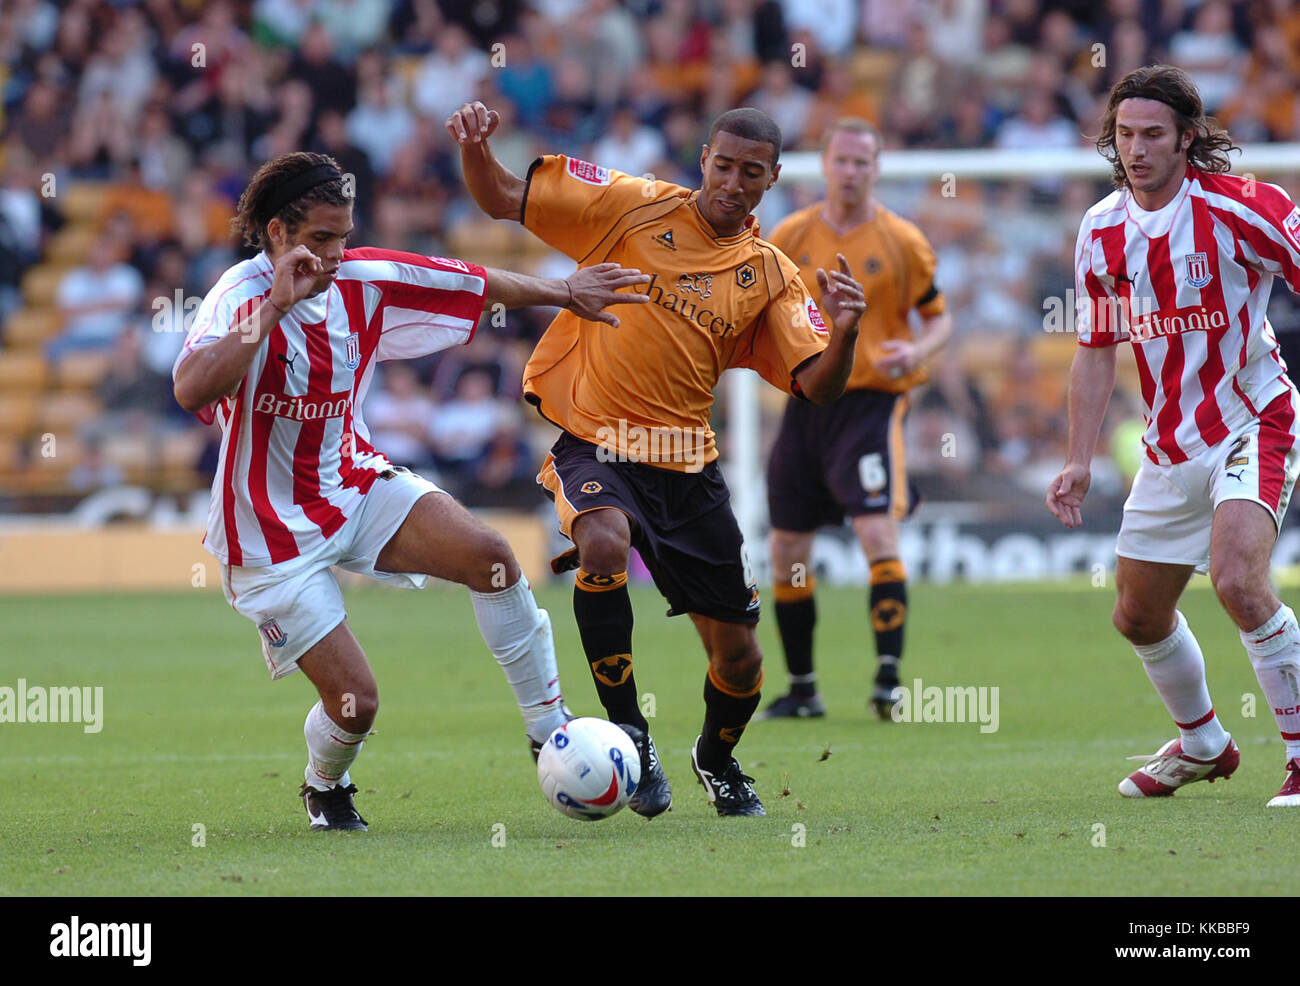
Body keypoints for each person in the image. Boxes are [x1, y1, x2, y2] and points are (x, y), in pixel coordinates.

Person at [172, 151, 649, 831]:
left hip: (355, 484)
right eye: (320, 240)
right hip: (268, 529)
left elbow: (479, 284)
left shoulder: (363, 280)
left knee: (492, 557)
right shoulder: (236, 299)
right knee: (355, 705)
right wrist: (276, 306)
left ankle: (550, 730)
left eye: (343, 236)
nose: (336, 254)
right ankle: (324, 785)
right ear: (277, 233)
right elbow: (191, 388)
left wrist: (567, 292)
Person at [447, 100, 866, 817]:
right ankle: (630, 735)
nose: (733, 182)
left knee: (741, 661)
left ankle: (718, 758)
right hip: (598, 443)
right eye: (724, 165)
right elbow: (501, 199)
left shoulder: (770, 275)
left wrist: (850, 331)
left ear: (774, 179)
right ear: (704, 158)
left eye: (751, 172)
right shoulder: (630, 206)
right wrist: (476, 150)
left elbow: (817, 386)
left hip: (688, 466)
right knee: (602, 542)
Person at [1046, 65, 1300, 807]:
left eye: (1153, 133)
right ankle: (1202, 744)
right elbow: (1095, 350)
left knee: (1239, 582)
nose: (1137, 148)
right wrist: (1078, 459)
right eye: (1125, 134)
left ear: (1188, 137)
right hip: (1168, 444)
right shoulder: (1101, 230)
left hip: (1254, 418)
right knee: (1137, 613)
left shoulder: (1247, 209)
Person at [760, 118, 951, 721]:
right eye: (841, 161)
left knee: (875, 533)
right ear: (824, 165)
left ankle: (888, 682)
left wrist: (917, 352)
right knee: (788, 545)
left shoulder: (902, 241)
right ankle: (803, 689)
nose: (850, 172)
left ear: (877, 168)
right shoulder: (791, 234)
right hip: (807, 401)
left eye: (862, 163)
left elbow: (939, 318)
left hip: (871, 403)